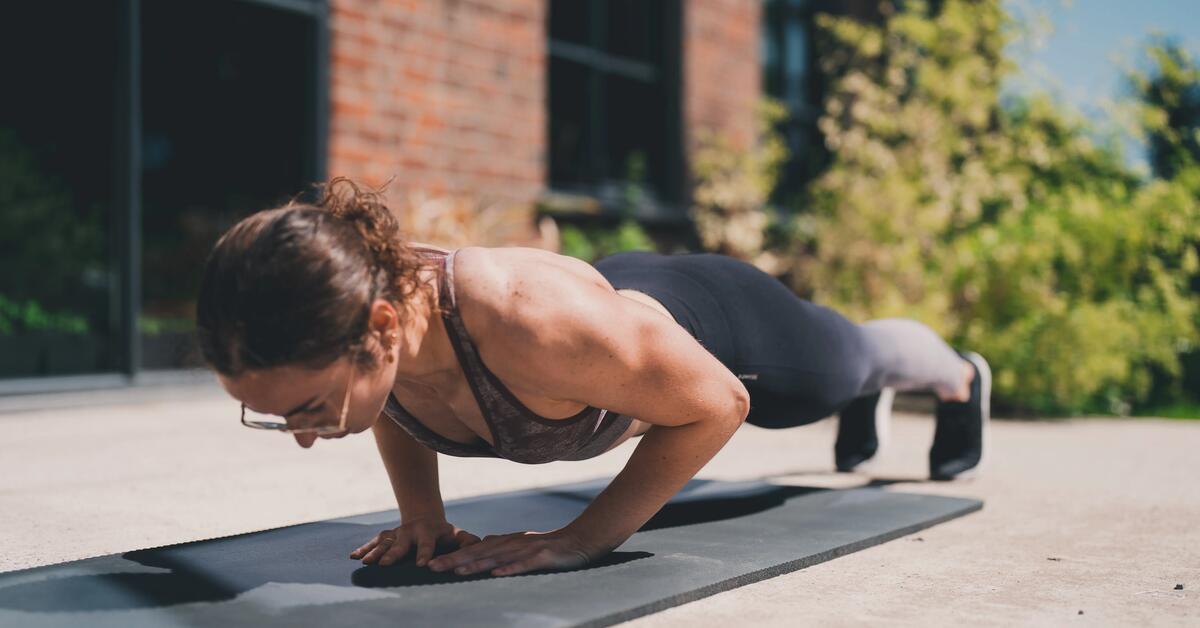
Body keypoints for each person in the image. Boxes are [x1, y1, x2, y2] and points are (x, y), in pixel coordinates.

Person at [196, 177, 990, 579]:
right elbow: (392, 400)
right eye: (272, 416)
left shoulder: (528, 324)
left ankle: (959, 376)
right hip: (612, 325)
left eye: (307, 409)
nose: (304, 437)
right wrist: (422, 515)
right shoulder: (378, 307)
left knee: (857, 359)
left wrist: (583, 540)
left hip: (728, 329)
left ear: (377, 331)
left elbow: (720, 403)